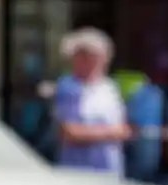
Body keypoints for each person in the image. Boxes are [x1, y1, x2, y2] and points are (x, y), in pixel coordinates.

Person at [52, 28, 131, 176]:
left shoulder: (110, 88)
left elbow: (124, 130)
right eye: (83, 55)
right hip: (78, 171)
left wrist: (101, 132)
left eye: (96, 55)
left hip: (110, 170)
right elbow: (70, 132)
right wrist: (110, 133)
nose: (90, 61)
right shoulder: (68, 87)